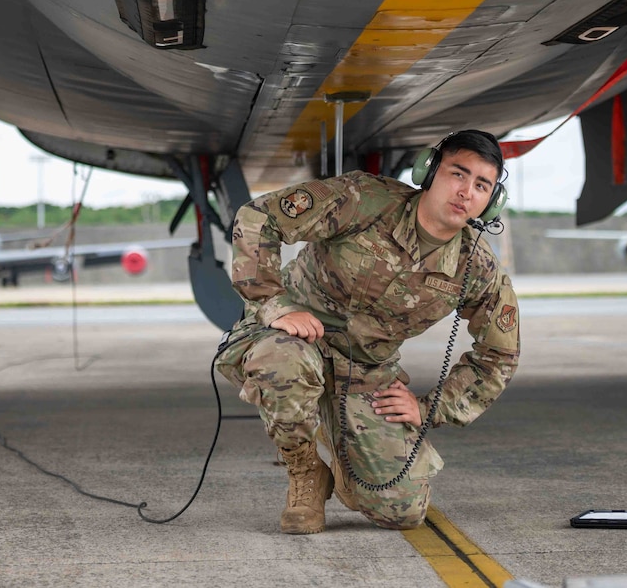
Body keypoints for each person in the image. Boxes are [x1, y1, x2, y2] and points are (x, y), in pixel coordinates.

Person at [216, 130, 520, 534]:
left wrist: (432, 407)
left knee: (403, 511)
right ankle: (305, 471)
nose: (466, 192)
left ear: (491, 200)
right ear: (428, 171)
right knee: (282, 361)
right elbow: (260, 217)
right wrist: (274, 302)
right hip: (295, 337)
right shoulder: (363, 200)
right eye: (457, 174)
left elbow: (498, 355)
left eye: (481, 185)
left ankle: (343, 452)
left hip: (365, 373)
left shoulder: (476, 268)